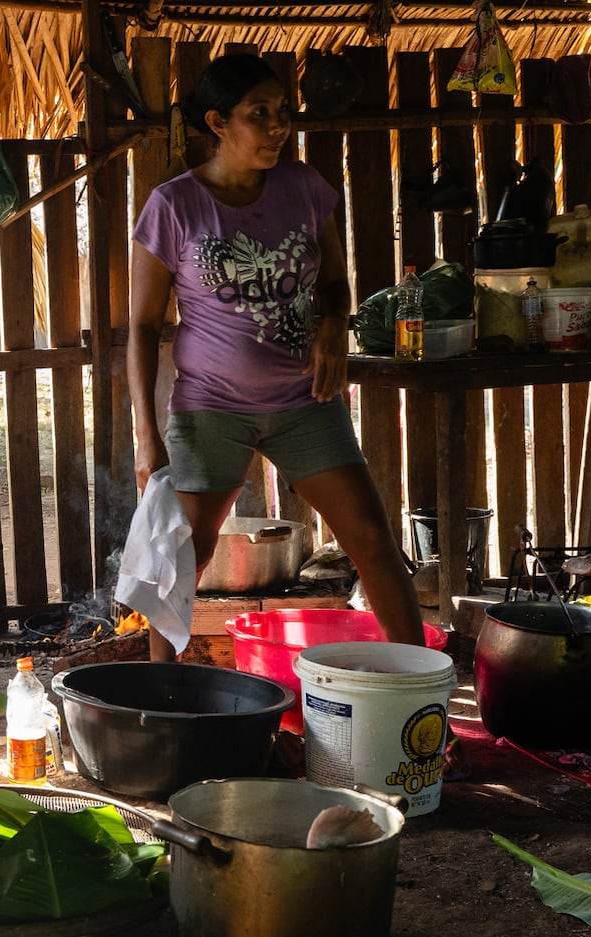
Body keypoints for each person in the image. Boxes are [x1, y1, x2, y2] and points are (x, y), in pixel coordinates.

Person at [127, 54, 422, 661]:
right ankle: (163, 692)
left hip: (304, 401)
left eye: (282, 112)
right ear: (218, 121)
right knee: (186, 553)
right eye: (258, 114)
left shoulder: (305, 189)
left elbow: (337, 284)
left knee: (370, 538)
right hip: (212, 408)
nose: (277, 126)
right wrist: (146, 436)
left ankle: (422, 688)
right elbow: (141, 326)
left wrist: (336, 323)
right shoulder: (175, 206)